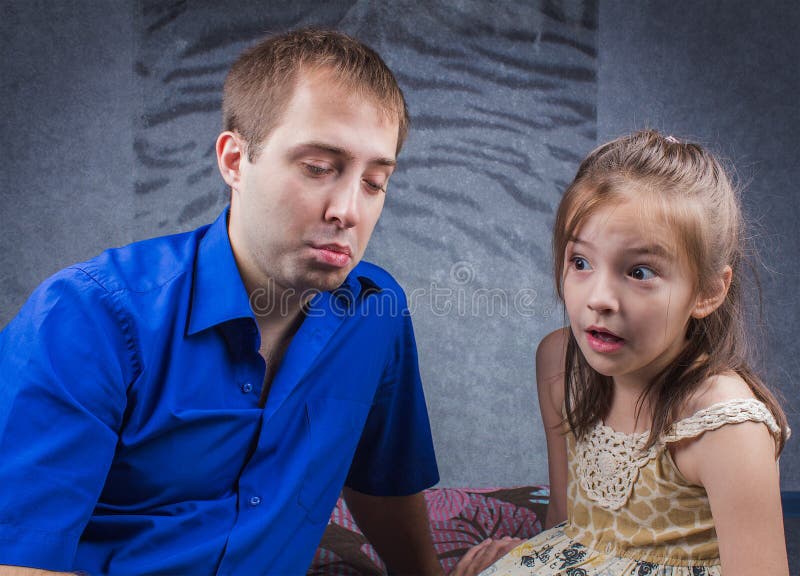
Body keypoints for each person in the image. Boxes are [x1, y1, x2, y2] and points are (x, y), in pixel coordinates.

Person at [0, 28, 443, 575]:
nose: (348, 210)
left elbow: (382, 482)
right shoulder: (84, 318)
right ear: (235, 160)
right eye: (319, 168)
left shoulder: (377, 313)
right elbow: (21, 559)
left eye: (375, 182)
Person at [453, 130, 791, 575]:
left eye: (639, 271)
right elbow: (567, 518)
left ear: (708, 292)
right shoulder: (560, 362)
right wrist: (527, 561)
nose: (600, 298)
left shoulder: (723, 422)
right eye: (581, 262)